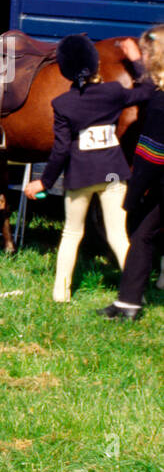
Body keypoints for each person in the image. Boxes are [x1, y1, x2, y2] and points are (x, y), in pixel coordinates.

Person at [24, 34, 155, 302]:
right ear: (96, 65)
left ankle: (60, 293)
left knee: (71, 233)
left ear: (64, 70)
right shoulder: (113, 92)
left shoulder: (62, 104)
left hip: (80, 177)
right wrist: (137, 61)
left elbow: (60, 150)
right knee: (119, 236)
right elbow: (146, 91)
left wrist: (44, 183)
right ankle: (135, 294)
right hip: (113, 174)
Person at [103, 27, 164, 319]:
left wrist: (134, 195)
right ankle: (128, 303)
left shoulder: (159, 102)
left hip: (157, 182)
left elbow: (153, 156)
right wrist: (138, 60)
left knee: (141, 234)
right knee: (144, 236)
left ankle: (128, 304)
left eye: (150, 53)